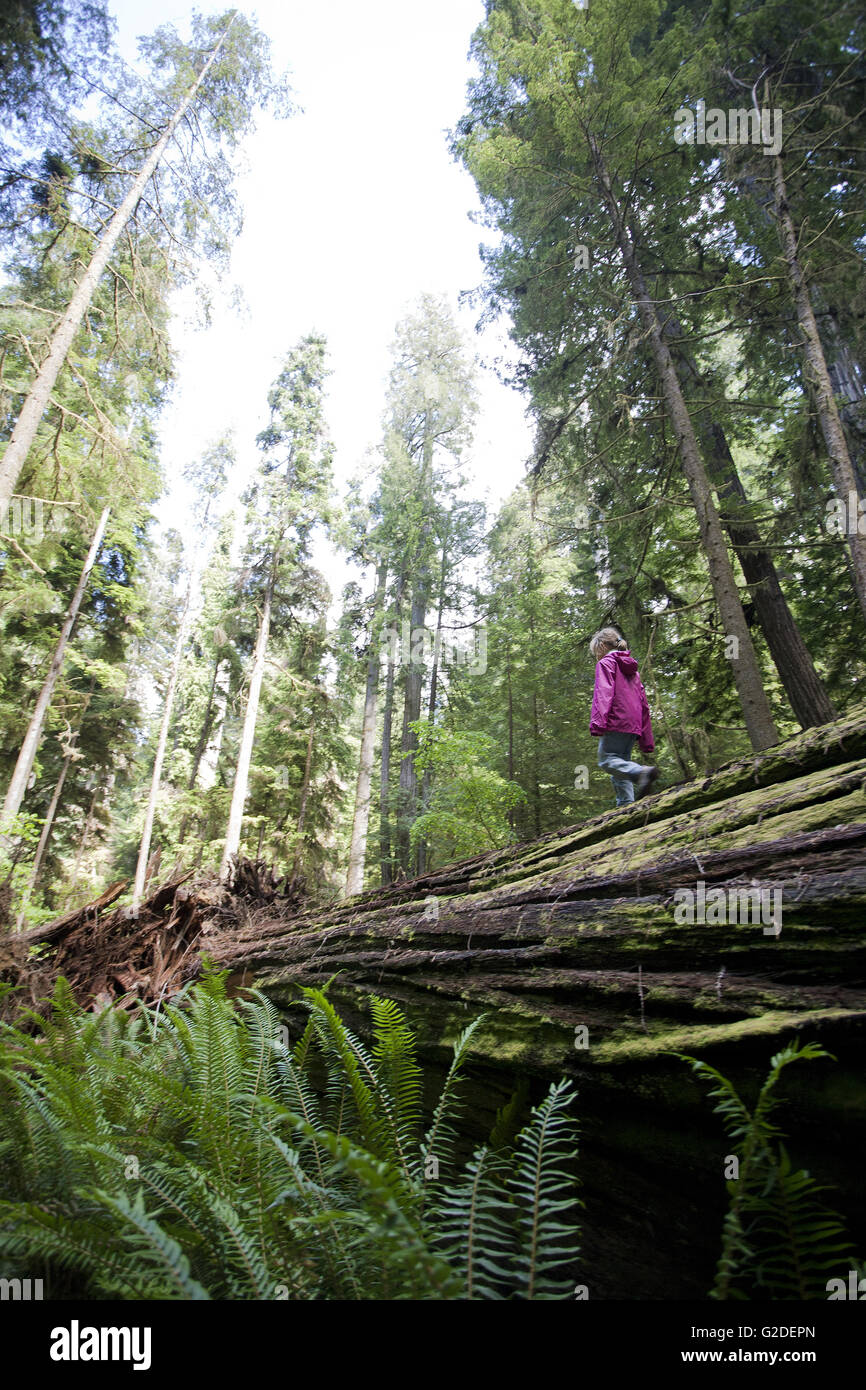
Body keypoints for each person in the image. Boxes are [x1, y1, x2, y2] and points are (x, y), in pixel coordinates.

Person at [588, 627, 658, 806]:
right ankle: (626, 805)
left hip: (616, 720)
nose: (597, 655)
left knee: (607, 760)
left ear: (602, 645)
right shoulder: (633, 670)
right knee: (620, 765)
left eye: (596, 651)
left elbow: (604, 694)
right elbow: (643, 702)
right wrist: (644, 733)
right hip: (632, 723)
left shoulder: (606, 664)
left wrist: (598, 723)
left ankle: (641, 772)